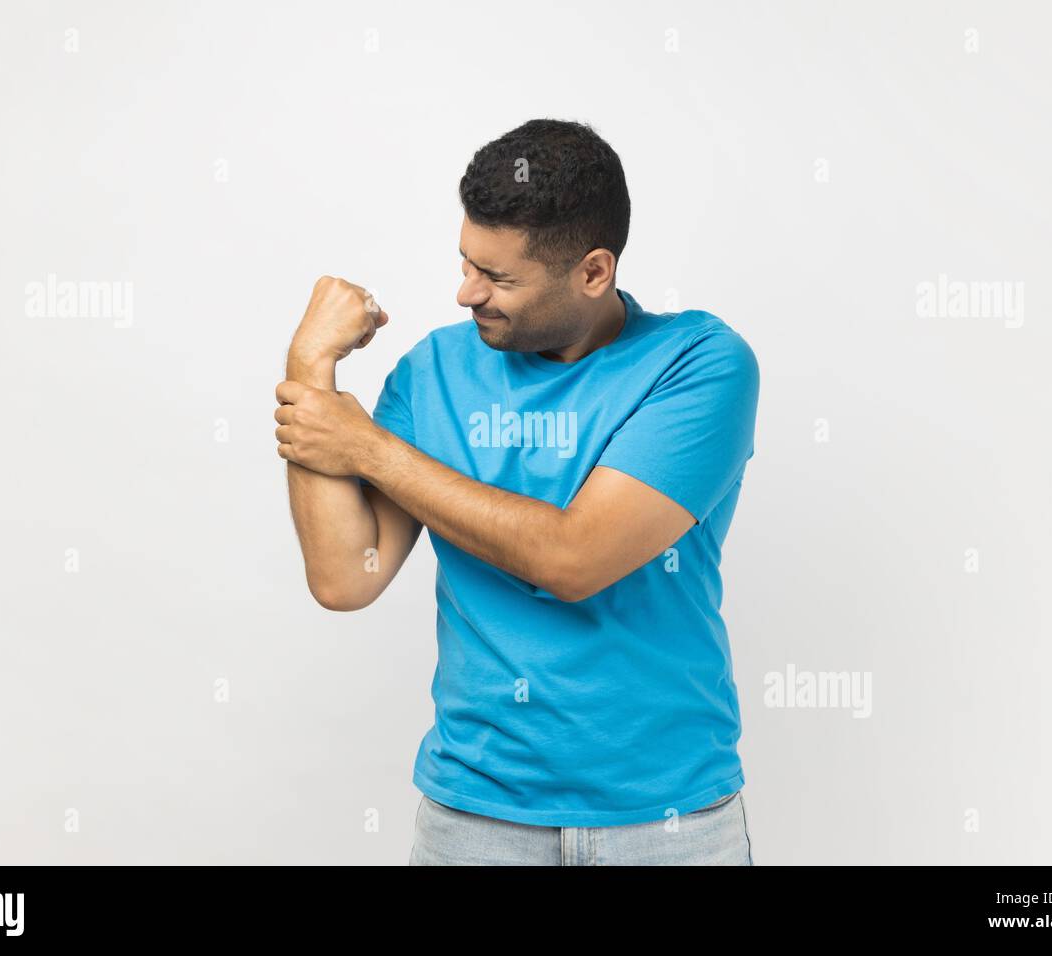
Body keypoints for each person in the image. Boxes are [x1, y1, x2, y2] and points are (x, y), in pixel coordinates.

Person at [274, 118, 760, 865]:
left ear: (593, 272)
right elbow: (346, 578)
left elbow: (574, 560)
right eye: (467, 262)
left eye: (498, 279)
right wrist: (310, 366)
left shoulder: (698, 364)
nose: (466, 292)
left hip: (668, 822)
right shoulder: (433, 370)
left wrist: (370, 448)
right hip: (475, 818)